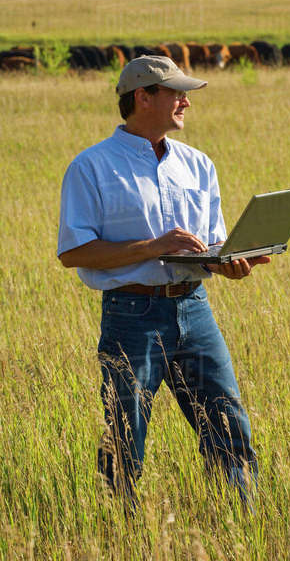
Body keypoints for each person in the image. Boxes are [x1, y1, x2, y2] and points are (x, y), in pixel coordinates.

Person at [57, 55, 271, 512]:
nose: (186, 102)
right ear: (143, 97)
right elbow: (73, 252)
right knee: (125, 432)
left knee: (228, 423)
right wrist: (151, 246)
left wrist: (229, 261)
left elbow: (209, 244)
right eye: (177, 92)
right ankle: (120, 530)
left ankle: (241, 521)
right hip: (131, 316)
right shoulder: (91, 167)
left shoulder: (198, 165)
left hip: (195, 309)